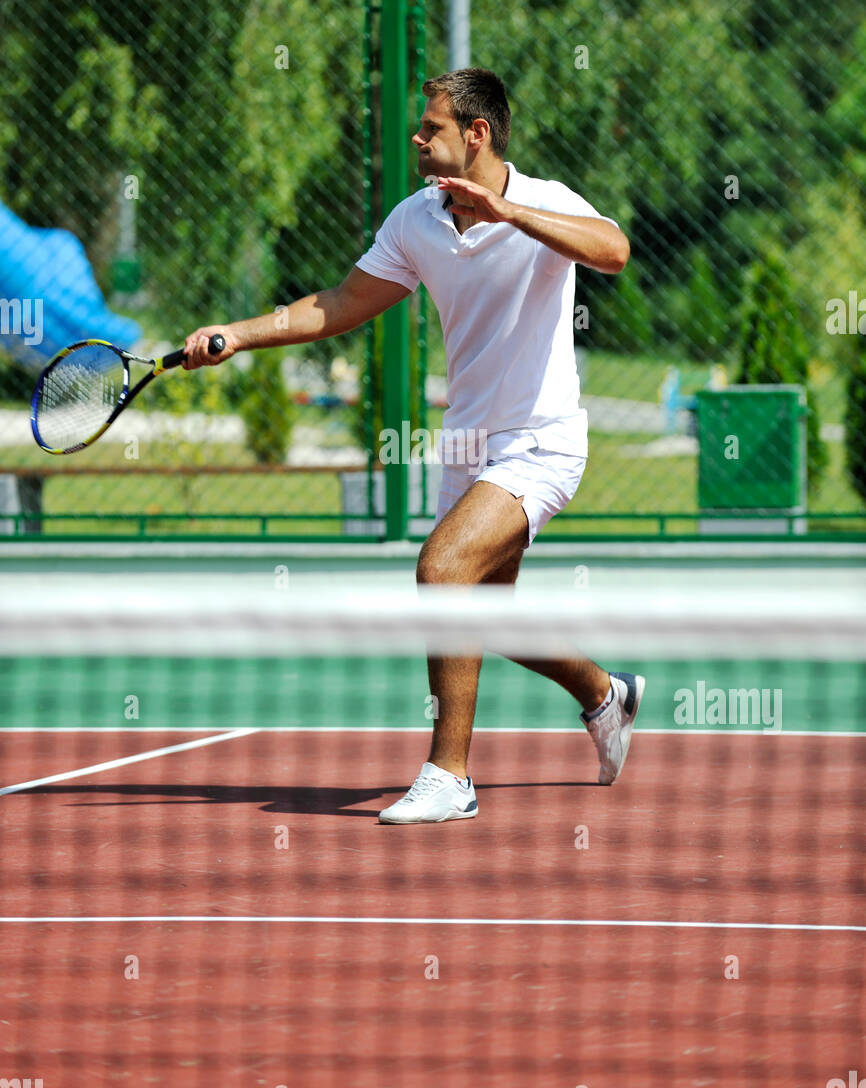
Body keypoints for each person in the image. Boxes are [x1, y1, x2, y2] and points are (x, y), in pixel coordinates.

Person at [183, 67, 645, 823]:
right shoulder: (414, 221)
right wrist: (239, 334)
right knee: (484, 617)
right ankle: (605, 694)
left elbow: (613, 251)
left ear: (477, 134)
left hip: (543, 442)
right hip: (466, 444)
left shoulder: (547, 201)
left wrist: (508, 212)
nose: (416, 138)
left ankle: (449, 775)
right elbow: (338, 304)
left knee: (443, 568)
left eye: (429, 128)